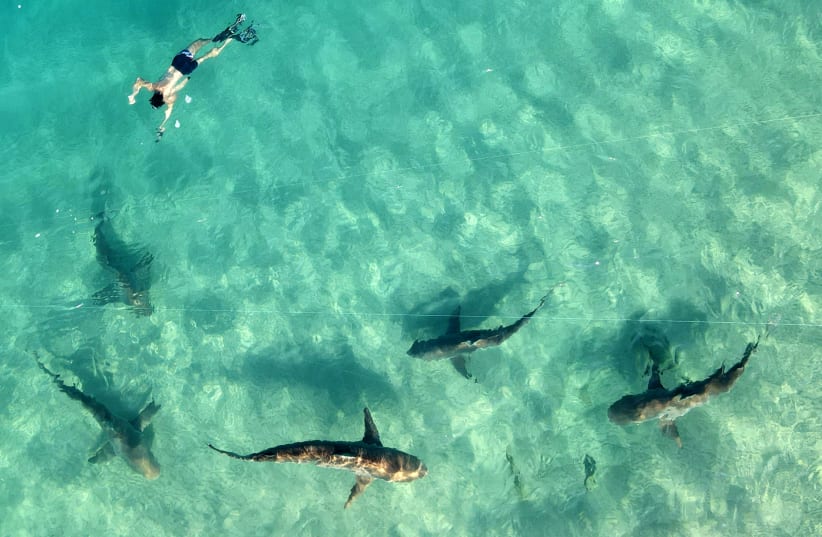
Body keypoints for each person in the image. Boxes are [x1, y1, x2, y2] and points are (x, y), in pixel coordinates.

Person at [128, 14, 258, 140]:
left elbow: (168, 113)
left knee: (209, 55)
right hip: (178, 62)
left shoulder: (168, 99)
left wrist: (162, 127)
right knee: (201, 42)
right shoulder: (154, 87)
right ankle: (225, 34)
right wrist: (133, 94)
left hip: (186, 70)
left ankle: (232, 39)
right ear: (153, 96)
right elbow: (139, 81)